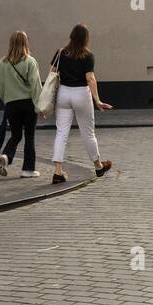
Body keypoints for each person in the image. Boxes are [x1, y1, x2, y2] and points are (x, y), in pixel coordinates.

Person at [50, 23, 114, 185]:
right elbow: (90, 78)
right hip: (81, 94)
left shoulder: (60, 53)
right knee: (88, 133)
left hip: (63, 93)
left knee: (61, 133)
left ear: (71, 36)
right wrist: (97, 99)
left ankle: (57, 171)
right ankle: (98, 166)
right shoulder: (88, 55)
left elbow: (52, 73)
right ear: (86, 39)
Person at [0, 31, 42, 178]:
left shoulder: (2, 63)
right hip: (28, 104)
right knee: (29, 136)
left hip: (11, 104)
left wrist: (7, 100)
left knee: (15, 135)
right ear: (26, 43)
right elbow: (35, 85)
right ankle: (28, 170)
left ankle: (6, 156)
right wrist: (38, 105)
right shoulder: (30, 61)